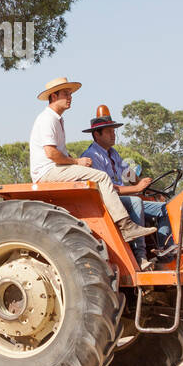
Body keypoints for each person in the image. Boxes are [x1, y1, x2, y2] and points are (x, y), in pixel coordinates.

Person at [28, 77, 154, 244]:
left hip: (56, 168)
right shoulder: (48, 119)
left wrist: (140, 184)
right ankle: (126, 227)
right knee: (101, 177)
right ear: (53, 96)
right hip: (48, 171)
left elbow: (127, 171)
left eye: (70, 93)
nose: (70, 97)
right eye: (66, 93)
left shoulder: (113, 153)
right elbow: (51, 153)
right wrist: (77, 162)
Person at [82, 105, 174, 268]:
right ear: (97, 134)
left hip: (122, 198)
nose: (113, 135)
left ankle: (165, 252)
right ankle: (140, 257)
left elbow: (130, 176)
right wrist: (136, 188)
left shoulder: (113, 153)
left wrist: (147, 186)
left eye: (114, 131)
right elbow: (106, 189)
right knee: (135, 201)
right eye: (109, 131)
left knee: (163, 208)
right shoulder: (91, 156)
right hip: (108, 202)